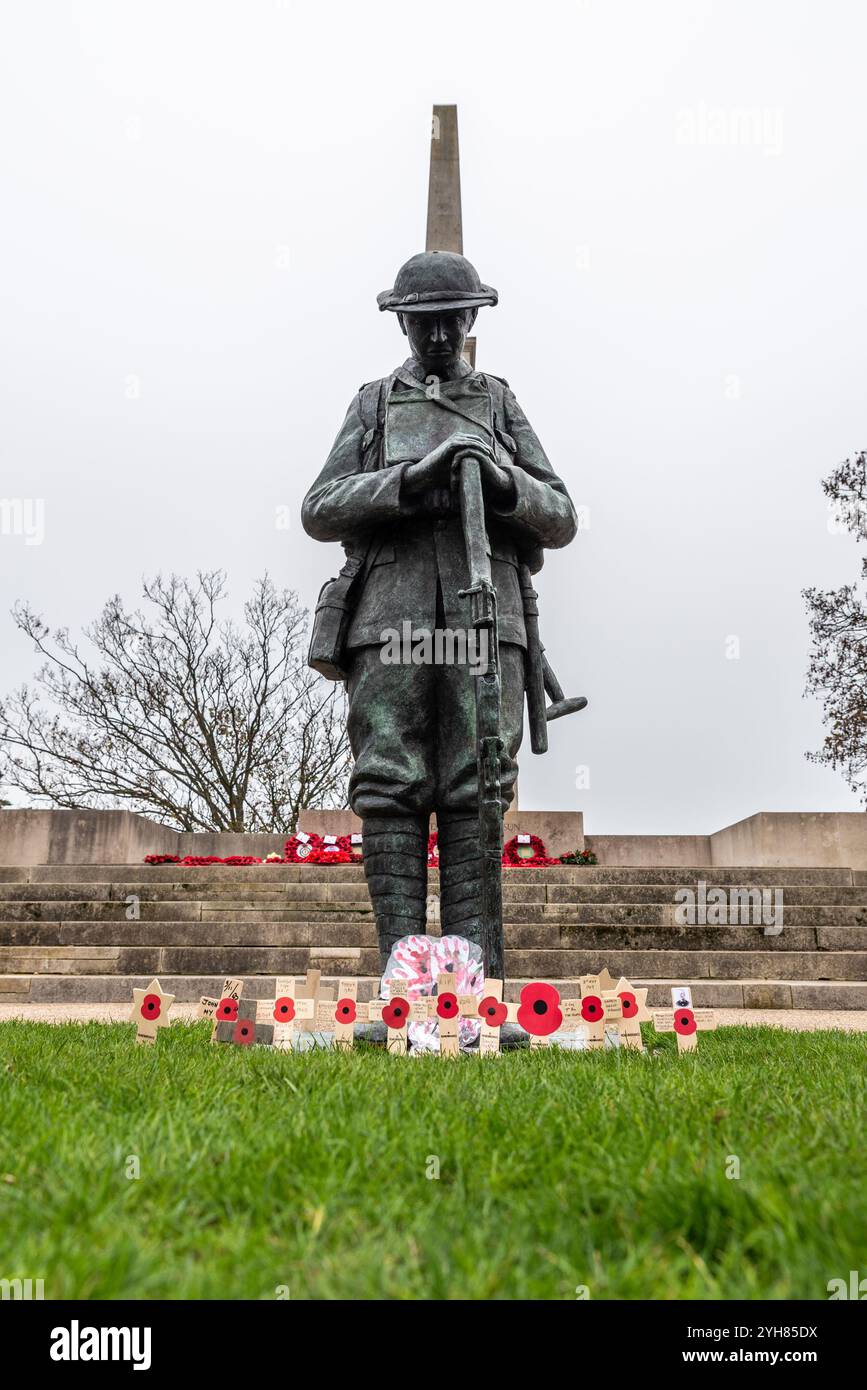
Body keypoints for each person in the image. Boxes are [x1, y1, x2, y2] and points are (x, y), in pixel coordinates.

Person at [302, 251, 577, 966]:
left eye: (448, 321)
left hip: (488, 617)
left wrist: (501, 480)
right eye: (420, 323)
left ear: (470, 318)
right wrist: (407, 482)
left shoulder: (498, 401)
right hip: (389, 618)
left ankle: (475, 988)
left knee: (476, 786)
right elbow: (319, 508)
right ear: (402, 323)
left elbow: (560, 514)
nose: (434, 337)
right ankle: (402, 984)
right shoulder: (371, 403)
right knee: (389, 784)